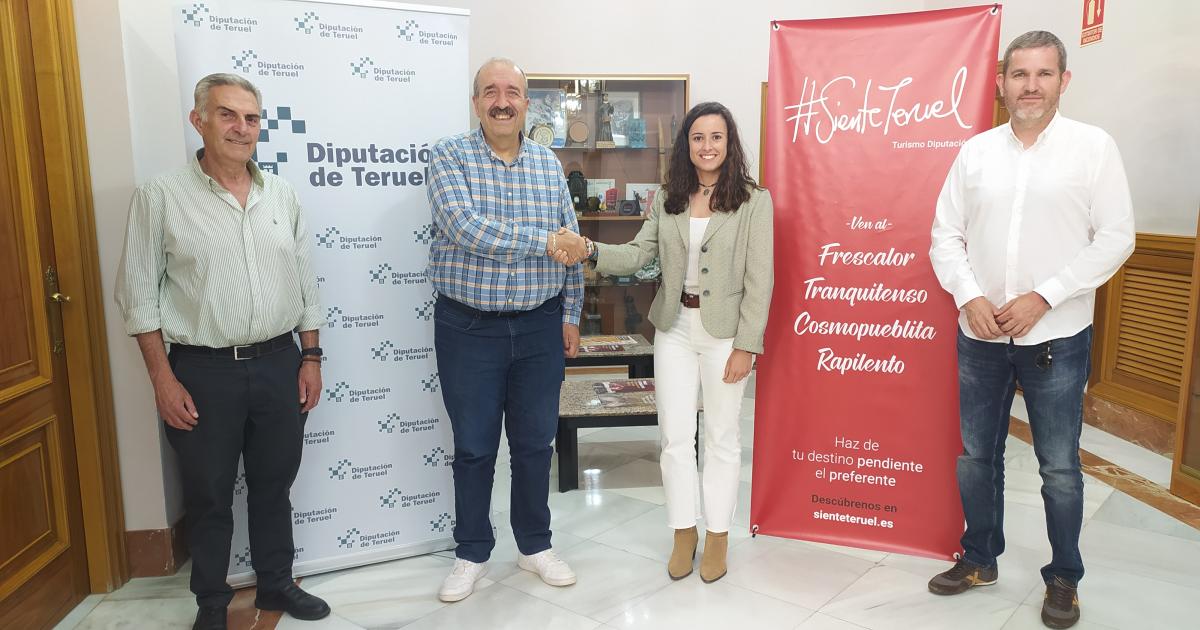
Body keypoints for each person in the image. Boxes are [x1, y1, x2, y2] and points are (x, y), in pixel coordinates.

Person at [927, 31, 1135, 629]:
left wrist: (1045, 295)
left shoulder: (1093, 149)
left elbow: (1117, 236)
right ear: (1001, 84)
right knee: (976, 456)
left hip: (1059, 335)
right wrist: (969, 296)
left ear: (1063, 81)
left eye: (1044, 74)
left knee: (1058, 465)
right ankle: (978, 558)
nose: (1031, 86)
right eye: (1019, 75)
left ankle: (1064, 575)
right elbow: (945, 234)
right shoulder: (977, 153)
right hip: (981, 335)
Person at [115, 73, 330, 630]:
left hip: (281, 363)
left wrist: (312, 358)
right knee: (208, 496)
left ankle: (276, 584)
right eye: (228, 114)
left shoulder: (281, 196)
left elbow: (305, 283)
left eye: (251, 118)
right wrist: (163, 380)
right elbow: (138, 296)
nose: (242, 128)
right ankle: (211, 603)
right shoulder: (161, 196)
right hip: (203, 370)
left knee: (273, 484)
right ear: (199, 120)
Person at [569, 101, 774, 583]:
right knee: (675, 437)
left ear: (730, 143)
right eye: (698, 137)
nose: (707, 146)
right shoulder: (668, 197)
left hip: (725, 335)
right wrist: (592, 249)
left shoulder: (753, 200)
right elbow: (640, 253)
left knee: (722, 437)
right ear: (687, 144)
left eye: (716, 137)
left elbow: (759, 280)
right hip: (674, 328)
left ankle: (718, 536)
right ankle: (684, 532)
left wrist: (748, 344)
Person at [425, 57, 586, 603]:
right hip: (468, 328)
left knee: (535, 445)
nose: (502, 100)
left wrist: (569, 314)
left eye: (512, 92)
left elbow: (573, 245)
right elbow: (466, 229)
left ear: (525, 103)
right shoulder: (449, 156)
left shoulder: (548, 164)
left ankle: (534, 545)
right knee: (473, 448)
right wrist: (541, 241)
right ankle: (471, 552)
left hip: (540, 328)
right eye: (491, 91)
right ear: (476, 103)